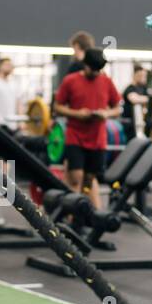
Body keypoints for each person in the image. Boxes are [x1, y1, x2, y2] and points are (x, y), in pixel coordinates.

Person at [54, 47, 121, 210]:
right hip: (75, 136)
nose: (96, 73)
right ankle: (72, 217)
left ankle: (86, 216)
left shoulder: (106, 81)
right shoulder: (70, 80)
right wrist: (77, 114)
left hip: (98, 139)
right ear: (85, 65)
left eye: (99, 70)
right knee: (76, 178)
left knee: (89, 181)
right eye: (93, 69)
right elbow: (57, 107)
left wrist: (106, 114)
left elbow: (118, 108)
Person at [121, 65, 150, 141]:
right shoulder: (129, 89)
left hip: (142, 124)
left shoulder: (144, 88)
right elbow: (134, 99)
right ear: (135, 75)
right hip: (130, 125)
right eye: (141, 75)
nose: (143, 78)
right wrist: (148, 99)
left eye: (144, 76)